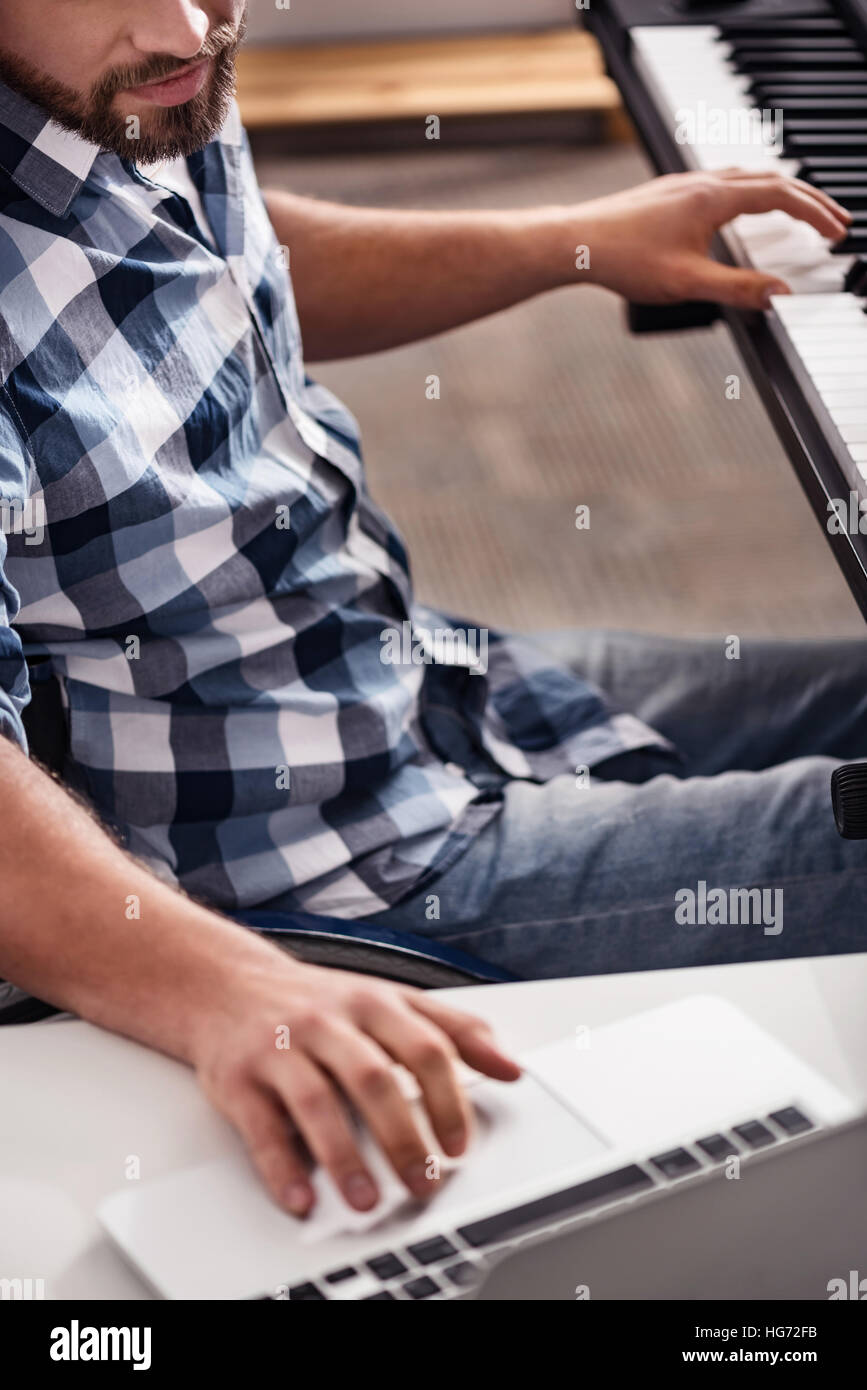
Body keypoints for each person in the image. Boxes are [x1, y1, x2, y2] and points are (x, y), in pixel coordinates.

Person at [0, 1, 862, 1218]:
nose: (192, 21)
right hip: (326, 870)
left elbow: (210, 267)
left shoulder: (127, 73)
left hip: (426, 677)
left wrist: (568, 240)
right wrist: (223, 992)